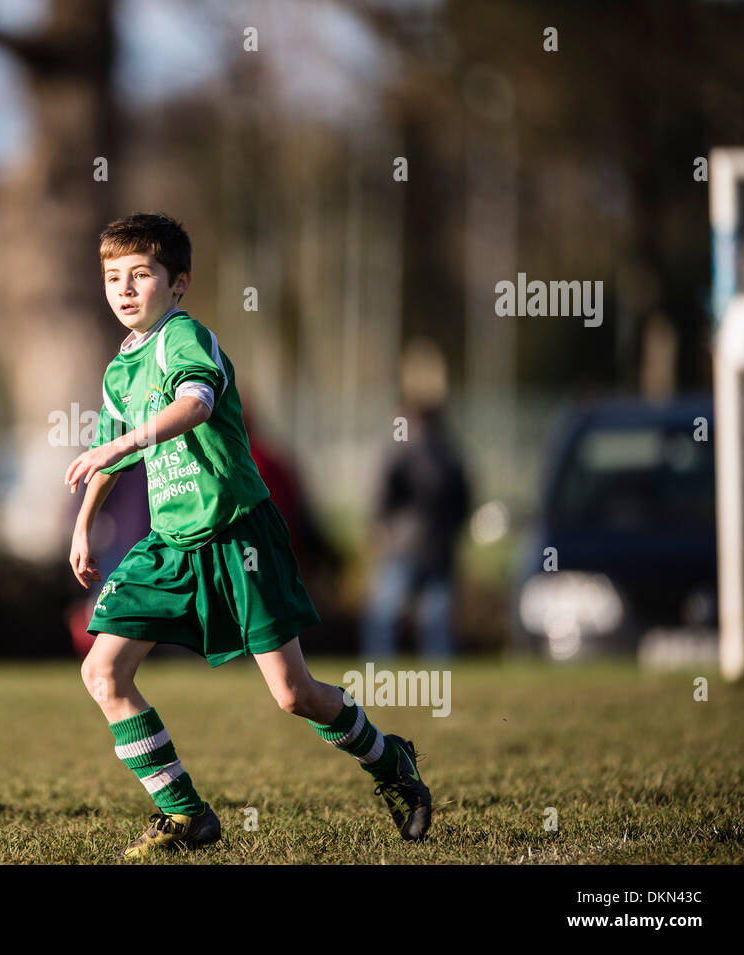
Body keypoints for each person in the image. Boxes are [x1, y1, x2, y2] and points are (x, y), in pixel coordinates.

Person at [66, 213, 432, 859]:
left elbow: (196, 405)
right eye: (112, 277)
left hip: (240, 535)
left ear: (178, 283)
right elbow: (107, 450)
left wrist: (131, 438)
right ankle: (185, 813)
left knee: (293, 693)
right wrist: (84, 525)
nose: (124, 289)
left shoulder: (184, 338)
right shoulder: (119, 367)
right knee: (103, 670)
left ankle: (388, 759)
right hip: (171, 543)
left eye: (140, 275)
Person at [362, 339, 471, 660]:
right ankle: (389, 680)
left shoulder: (428, 438)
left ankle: (421, 683)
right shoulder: (432, 440)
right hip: (413, 544)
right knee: (395, 618)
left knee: (417, 620)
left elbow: (381, 490)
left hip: (417, 544)